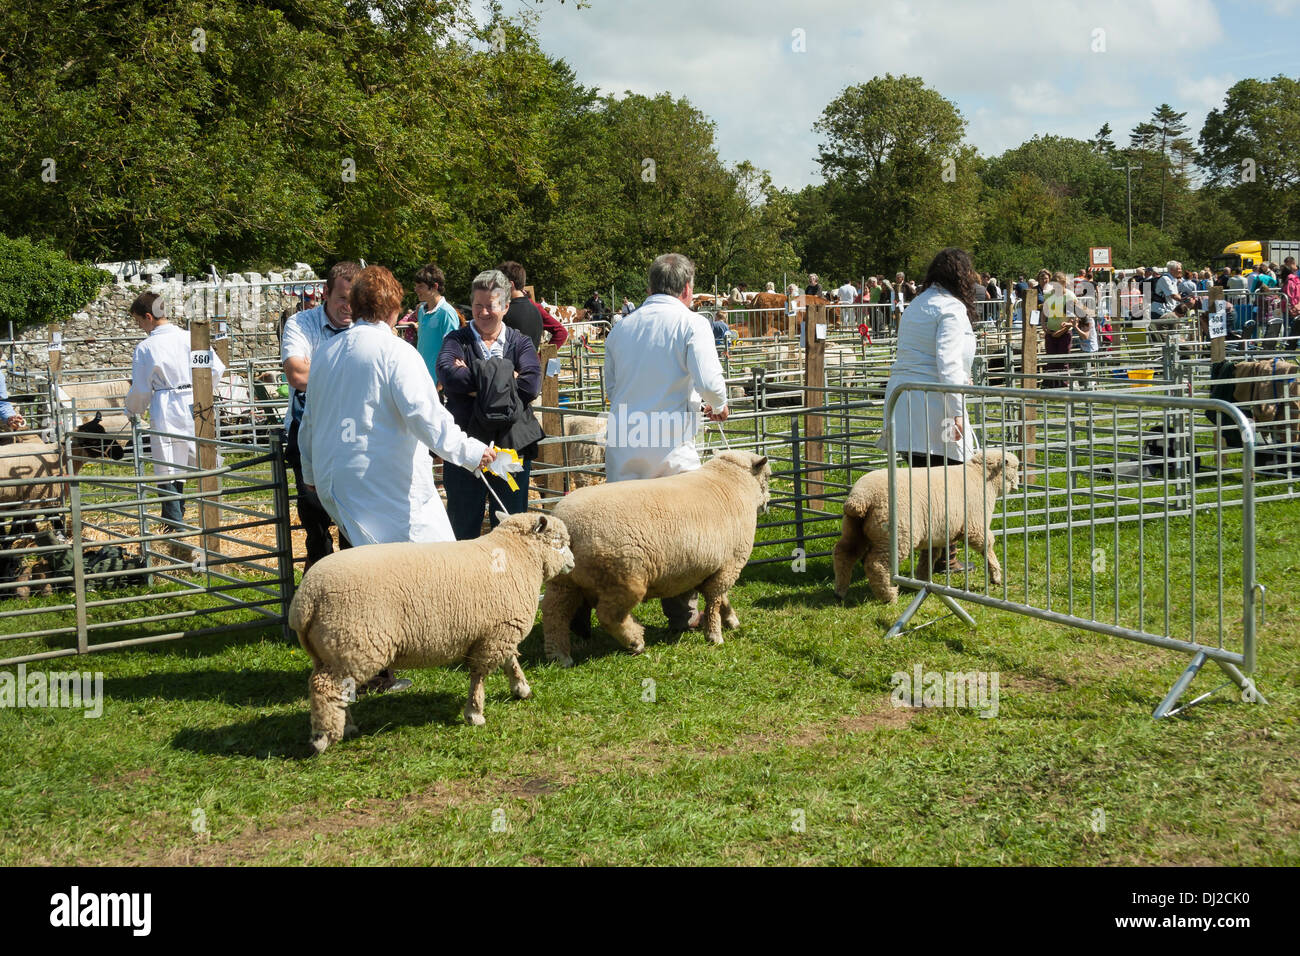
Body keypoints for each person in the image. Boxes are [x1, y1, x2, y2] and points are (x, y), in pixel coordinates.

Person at [300, 265, 497, 697]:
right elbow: (428, 419)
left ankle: (373, 669)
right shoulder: (396, 353)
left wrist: (312, 475)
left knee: (372, 575)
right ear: (393, 307)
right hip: (386, 483)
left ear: (353, 305)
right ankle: (454, 650)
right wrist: (472, 453)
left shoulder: (329, 353)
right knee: (440, 567)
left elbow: (309, 424)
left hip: (340, 481)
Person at [604, 252, 728, 631]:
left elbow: (611, 387)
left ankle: (610, 608)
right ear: (688, 288)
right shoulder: (692, 323)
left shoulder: (620, 327)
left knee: (625, 528)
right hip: (669, 438)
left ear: (649, 287)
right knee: (679, 527)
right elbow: (708, 380)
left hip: (626, 434)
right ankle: (684, 612)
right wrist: (718, 404)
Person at [877, 248, 979, 573]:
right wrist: (958, 411)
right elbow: (948, 363)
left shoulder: (918, 304)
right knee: (951, 482)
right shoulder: (950, 309)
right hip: (937, 408)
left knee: (924, 482)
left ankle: (933, 558)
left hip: (906, 404)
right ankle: (939, 560)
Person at [437, 270, 543, 540]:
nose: (483, 312)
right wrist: (507, 378)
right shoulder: (455, 340)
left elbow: (531, 385)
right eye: (477, 305)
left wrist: (475, 381)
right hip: (465, 446)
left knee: (512, 527)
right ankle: (463, 582)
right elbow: (448, 377)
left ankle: (507, 582)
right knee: (463, 524)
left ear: (506, 307)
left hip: (512, 447)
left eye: (491, 305)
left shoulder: (521, 343)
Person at [125, 292, 224, 558]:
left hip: (166, 404)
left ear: (148, 317)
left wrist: (132, 410)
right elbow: (217, 368)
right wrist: (202, 390)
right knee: (203, 458)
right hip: (197, 402)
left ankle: (173, 526)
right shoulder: (189, 336)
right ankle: (204, 521)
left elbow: (142, 388)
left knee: (168, 464)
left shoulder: (146, 348)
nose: (140, 327)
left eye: (139, 322)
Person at [281, 261, 358, 570]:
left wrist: (323, 374)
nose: (349, 307)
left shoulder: (366, 327)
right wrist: (352, 376)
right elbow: (297, 373)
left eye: (355, 299)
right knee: (314, 515)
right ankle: (318, 588)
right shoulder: (301, 324)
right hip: (308, 432)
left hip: (353, 433)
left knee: (353, 517)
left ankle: (354, 586)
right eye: (342, 298)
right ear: (326, 293)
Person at [498, 260, 569, 350]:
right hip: (531, 362)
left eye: (498, 284)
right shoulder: (536, 307)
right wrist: (539, 359)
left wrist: (541, 357)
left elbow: (561, 333)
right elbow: (561, 332)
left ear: (510, 284)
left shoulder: (502, 310)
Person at [413, 263, 461, 385]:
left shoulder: (447, 312)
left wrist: (440, 383)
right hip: (421, 377)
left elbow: (452, 350)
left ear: (434, 286)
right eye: (416, 286)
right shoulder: (421, 311)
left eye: (421, 286)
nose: (416, 289)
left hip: (437, 383)